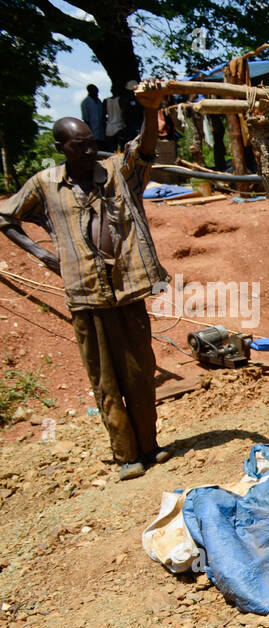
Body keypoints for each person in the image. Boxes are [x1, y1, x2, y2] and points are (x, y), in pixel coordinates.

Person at [0, 81, 172, 480]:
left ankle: (151, 445)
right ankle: (127, 456)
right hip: (85, 296)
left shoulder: (115, 172)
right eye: (79, 145)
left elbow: (143, 150)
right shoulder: (45, 184)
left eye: (91, 142)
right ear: (61, 147)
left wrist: (150, 110)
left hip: (127, 291)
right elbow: (6, 218)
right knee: (106, 380)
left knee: (140, 373)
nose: (88, 149)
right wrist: (43, 253)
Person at [80, 84, 106, 151]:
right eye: (94, 91)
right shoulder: (85, 102)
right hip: (93, 131)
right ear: (90, 91)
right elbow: (86, 119)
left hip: (102, 132)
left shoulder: (99, 102)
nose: (96, 93)